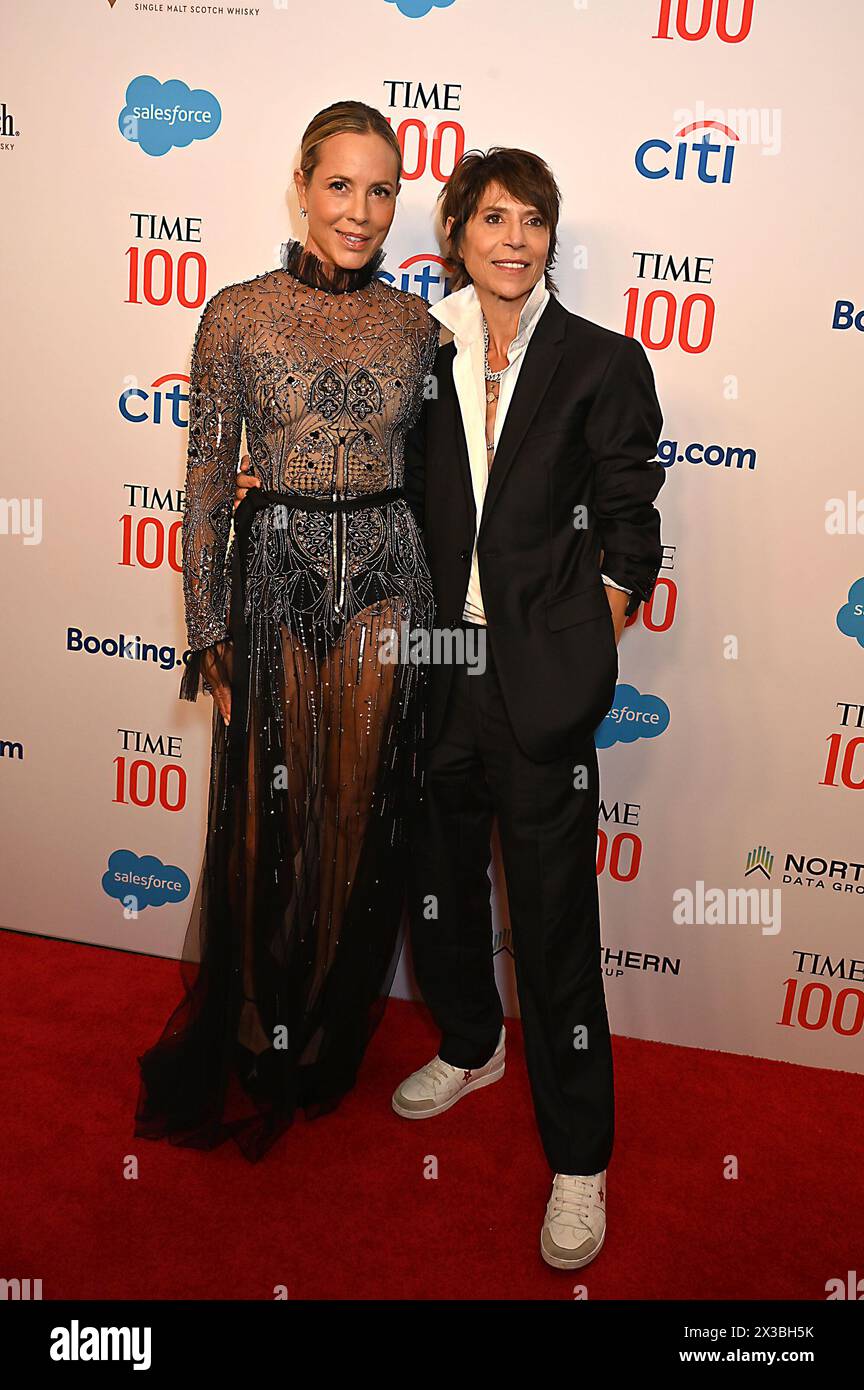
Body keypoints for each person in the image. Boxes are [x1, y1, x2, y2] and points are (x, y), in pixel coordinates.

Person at [134, 100, 439, 1162]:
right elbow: (208, 475)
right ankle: (262, 1021)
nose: (361, 211)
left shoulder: (419, 327)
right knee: (271, 817)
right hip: (275, 576)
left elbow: (458, 474)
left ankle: (323, 1024)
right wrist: (207, 619)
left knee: (355, 811)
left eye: (383, 189)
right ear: (303, 187)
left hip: (392, 582)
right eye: (342, 185)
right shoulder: (235, 313)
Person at [392, 148, 666, 1269]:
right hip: (434, 658)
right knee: (440, 877)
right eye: (494, 217)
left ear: (551, 237)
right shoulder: (417, 349)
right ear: (456, 231)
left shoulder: (601, 360)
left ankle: (581, 1156)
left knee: (554, 921)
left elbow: (630, 520)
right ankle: (470, 1039)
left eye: (534, 220)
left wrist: (580, 636)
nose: (515, 238)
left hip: (537, 675)